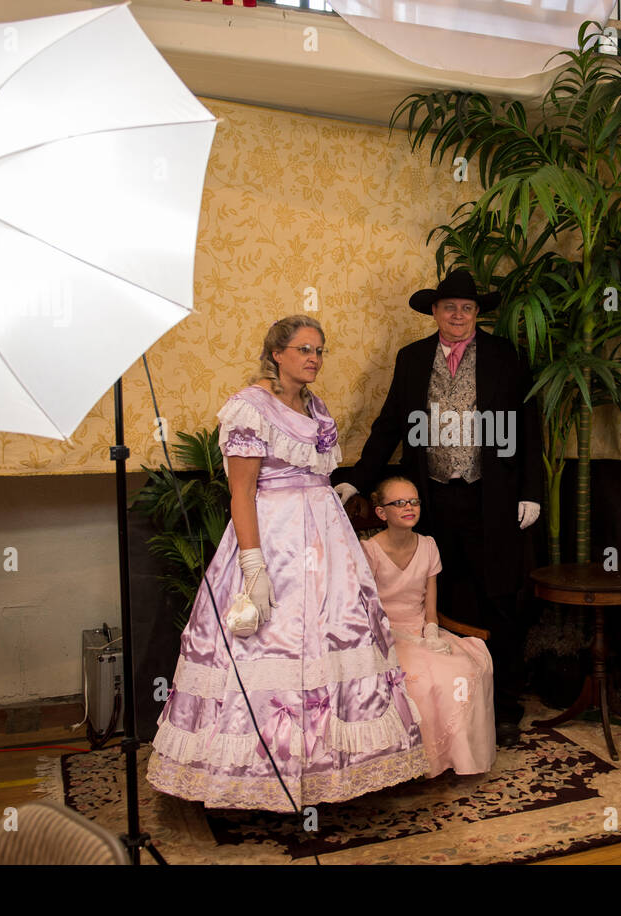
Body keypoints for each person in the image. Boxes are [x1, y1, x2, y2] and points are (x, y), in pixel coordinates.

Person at [146, 315, 428, 811]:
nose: (314, 358)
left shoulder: (315, 407)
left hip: (327, 546)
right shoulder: (249, 408)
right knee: (268, 649)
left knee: (335, 640)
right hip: (273, 541)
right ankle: (256, 775)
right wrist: (253, 566)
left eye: (319, 350)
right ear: (277, 353)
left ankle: (324, 773)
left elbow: (316, 476)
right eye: (303, 349)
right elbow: (241, 492)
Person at [332, 269, 542, 747]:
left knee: (498, 598)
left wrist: (530, 490)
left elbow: (529, 427)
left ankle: (504, 705)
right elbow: (388, 425)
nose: (458, 315)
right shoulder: (411, 359)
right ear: (435, 312)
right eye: (449, 307)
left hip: (491, 496)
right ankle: (447, 708)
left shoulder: (505, 356)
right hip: (431, 498)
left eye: (467, 308)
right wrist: (356, 480)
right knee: (442, 598)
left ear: (477, 313)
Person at [361, 475, 497, 777]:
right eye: (399, 503)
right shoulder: (368, 552)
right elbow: (369, 613)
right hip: (387, 637)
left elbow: (430, 610)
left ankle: (457, 758)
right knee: (420, 681)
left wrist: (431, 633)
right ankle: (422, 762)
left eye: (414, 501)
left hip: (422, 630)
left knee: (464, 667)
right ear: (381, 512)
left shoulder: (428, 545)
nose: (409, 507)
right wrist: (407, 639)